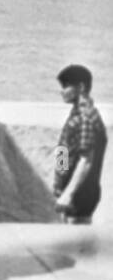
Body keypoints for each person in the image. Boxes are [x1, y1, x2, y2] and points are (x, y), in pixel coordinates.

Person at [53, 64, 106, 224]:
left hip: (81, 193)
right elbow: (64, 148)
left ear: (81, 87)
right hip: (68, 189)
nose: (62, 91)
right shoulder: (75, 114)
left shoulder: (85, 118)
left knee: (77, 243)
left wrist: (67, 194)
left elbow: (86, 160)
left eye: (66, 86)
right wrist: (59, 184)